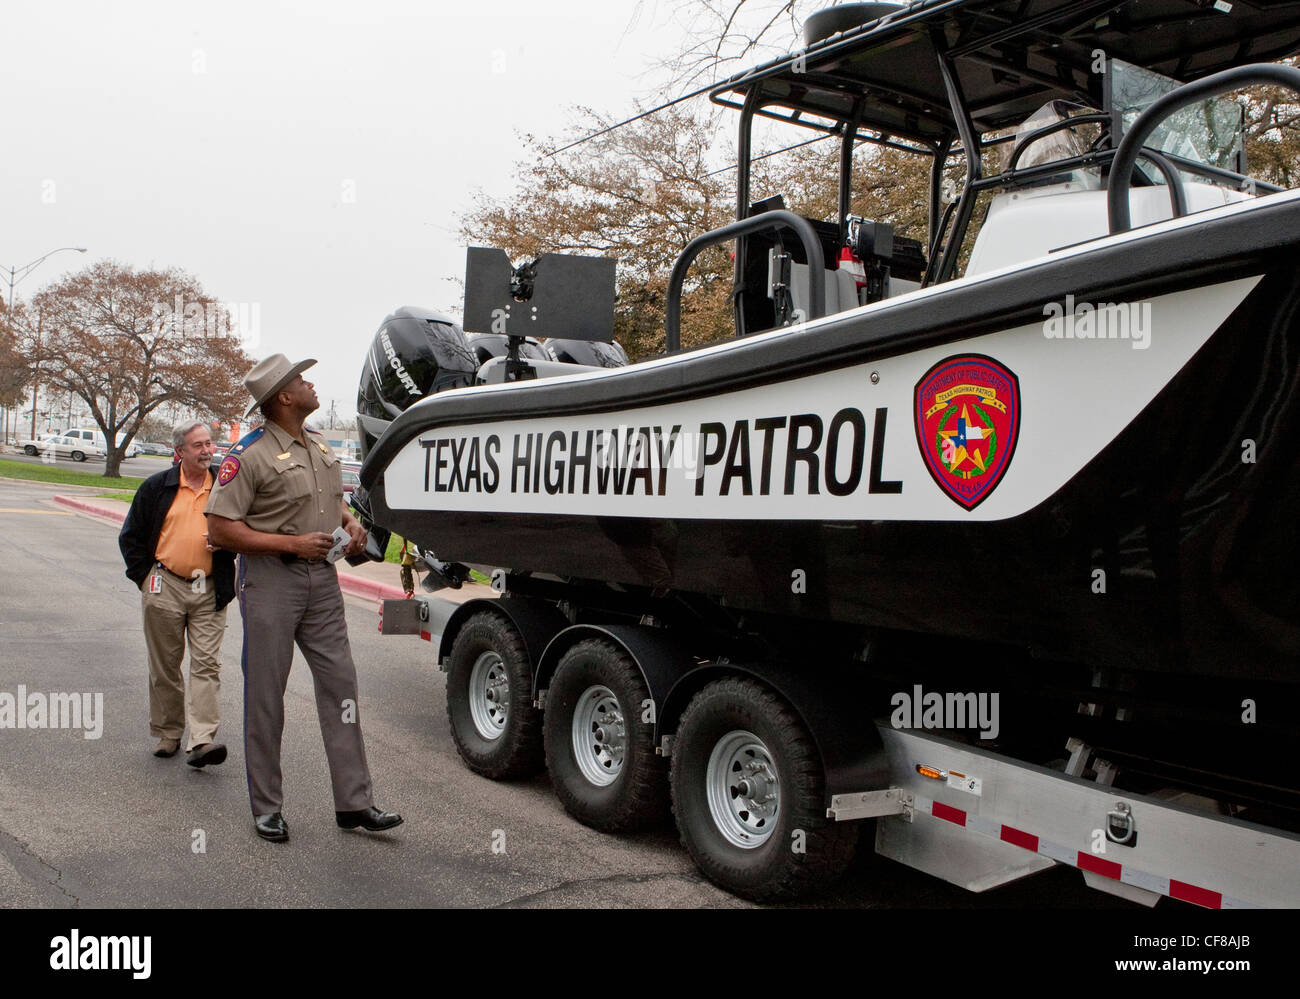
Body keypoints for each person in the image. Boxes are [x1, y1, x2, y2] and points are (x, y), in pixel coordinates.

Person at [205, 353, 401, 843]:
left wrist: (350, 524)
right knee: (267, 696)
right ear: (284, 397)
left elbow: (328, 500)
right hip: (272, 581)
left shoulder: (316, 446)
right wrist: (289, 544)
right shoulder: (246, 455)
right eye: (301, 379)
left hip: (323, 584)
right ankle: (267, 806)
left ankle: (354, 804)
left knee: (342, 689)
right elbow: (220, 528)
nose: (311, 384)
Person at [119, 421, 234, 767]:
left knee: (206, 664)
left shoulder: (225, 487)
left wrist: (227, 541)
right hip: (164, 583)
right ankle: (169, 734)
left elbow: (246, 527)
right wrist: (145, 577)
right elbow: (131, 537)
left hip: (209, 586)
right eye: (197, 445)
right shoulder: (157, 487)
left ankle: (201, 741)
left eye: (209, 444)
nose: (207, 451)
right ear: (179, 451)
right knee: (165, 665)